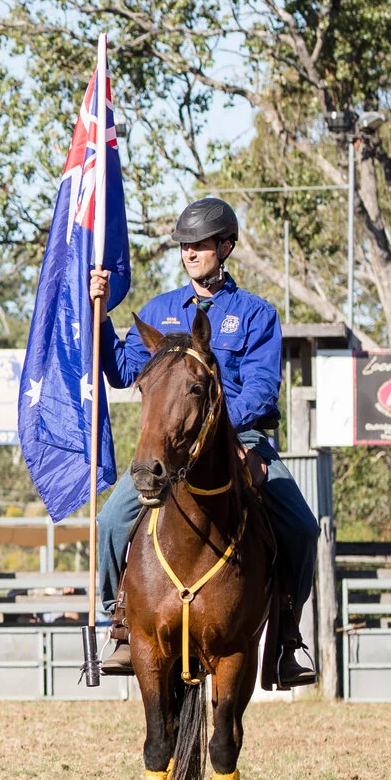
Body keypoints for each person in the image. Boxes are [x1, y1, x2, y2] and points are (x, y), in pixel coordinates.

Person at [91, 197, 321, 688]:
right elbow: (122, 370)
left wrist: (220, 432)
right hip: (170, 449)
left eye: (200, 245)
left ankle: (287, 641)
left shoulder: (257, 314)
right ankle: (119, 624)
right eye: (184, 246)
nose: (190, 253)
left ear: (226, 247)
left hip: (242, 438)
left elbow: (260, 389)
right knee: (111, 520)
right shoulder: (158, 311)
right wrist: (102, 312)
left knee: (302, 528)